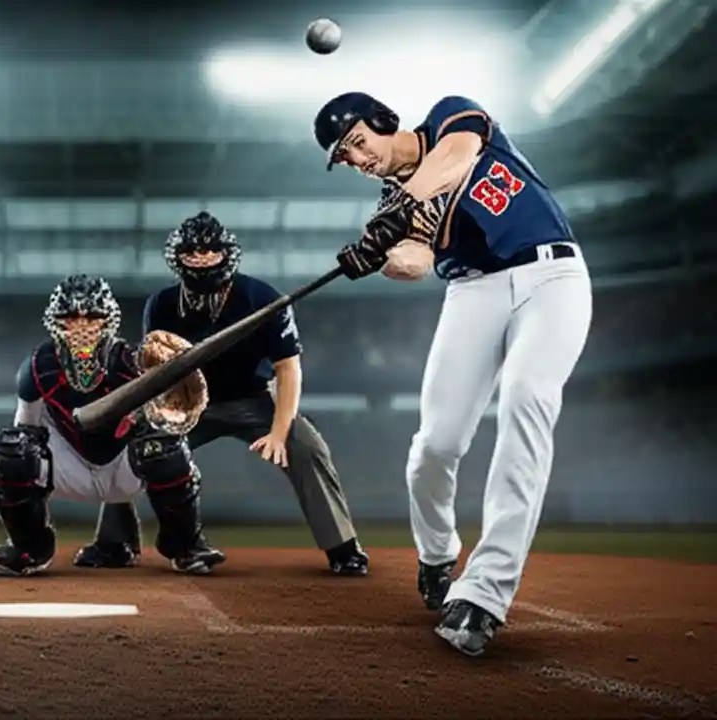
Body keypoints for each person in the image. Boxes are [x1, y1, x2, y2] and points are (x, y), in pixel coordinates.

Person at [316, 92, 592, 656]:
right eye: (344, 157)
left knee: (525, 397)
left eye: (357, 143)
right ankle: (438, 558)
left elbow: (460, 155)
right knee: (434, 447)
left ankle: (485, 594)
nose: (356, 160)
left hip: (552, 277)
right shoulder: (395, 203)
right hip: (472, 292)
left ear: (384, 122)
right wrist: (375, 253)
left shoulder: (449, 116)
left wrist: (396, 211)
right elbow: (416, 263)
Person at [75, 213, 369, 577]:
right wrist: (152, 413)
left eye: (209, 249)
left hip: (252, 399)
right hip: (185, 402)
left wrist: (279, 431)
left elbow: (288, 368)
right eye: (191, 250)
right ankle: (115, 542)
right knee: (133, 446)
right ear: (176, 256)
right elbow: (157, 371)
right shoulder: (162, 305)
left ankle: (344, 547)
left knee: (306, 444)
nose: (200, 256)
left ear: (226, 253)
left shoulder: (263, 298)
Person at [0, 274, 224, 576]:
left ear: (107, 320)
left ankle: (187, 545)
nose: (82, 326)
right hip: (70, 465)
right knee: (12, 447)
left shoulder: (133, 362)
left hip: (124, 466)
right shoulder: (38, 366)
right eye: (72, 317)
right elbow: (27, 429)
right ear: (57, 321)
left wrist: (155, 402)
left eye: (92, 317)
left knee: (162, 447)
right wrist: (27, 469)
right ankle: (29, 547)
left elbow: (168, 418)